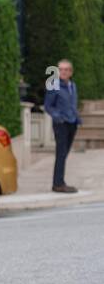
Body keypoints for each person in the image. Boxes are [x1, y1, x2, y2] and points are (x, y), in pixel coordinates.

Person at [44, 58, 80, 193]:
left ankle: (59, 182)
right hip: (61, 124)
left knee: (64, 154)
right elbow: (48, 106)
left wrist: (77, 118)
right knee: (61, 154)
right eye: (60, 69)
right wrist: (58, 117)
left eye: (66, 69)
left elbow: (72, 103)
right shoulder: (53, 85)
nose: (63, 72)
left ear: (71, 72)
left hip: (72, 123)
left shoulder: (72, 85)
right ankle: (58, 184)